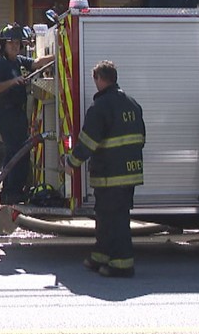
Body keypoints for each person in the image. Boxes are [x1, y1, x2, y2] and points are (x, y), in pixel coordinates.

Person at [63, 60, 145, 278]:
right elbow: (141, 138)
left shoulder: (100, 107)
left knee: (115, 221)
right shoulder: (132, 104)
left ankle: (122, 265)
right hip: (129, 174)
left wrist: (71, 163)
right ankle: (101, 255)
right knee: (108, 218)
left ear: (100, 79)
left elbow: (88, 143)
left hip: (110, 175)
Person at [0, 23, 54, 205]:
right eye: (11, 43)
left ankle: (8, 192)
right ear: (3, 45)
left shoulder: (17, 61)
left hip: (18, 113)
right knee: (18, 153)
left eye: (18, 43)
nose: (15, 46)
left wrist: (58, 53)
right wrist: (12, 81)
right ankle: (13, 192)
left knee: (13, 153)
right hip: (7, 114)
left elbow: (36, 63)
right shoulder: (0, 63)